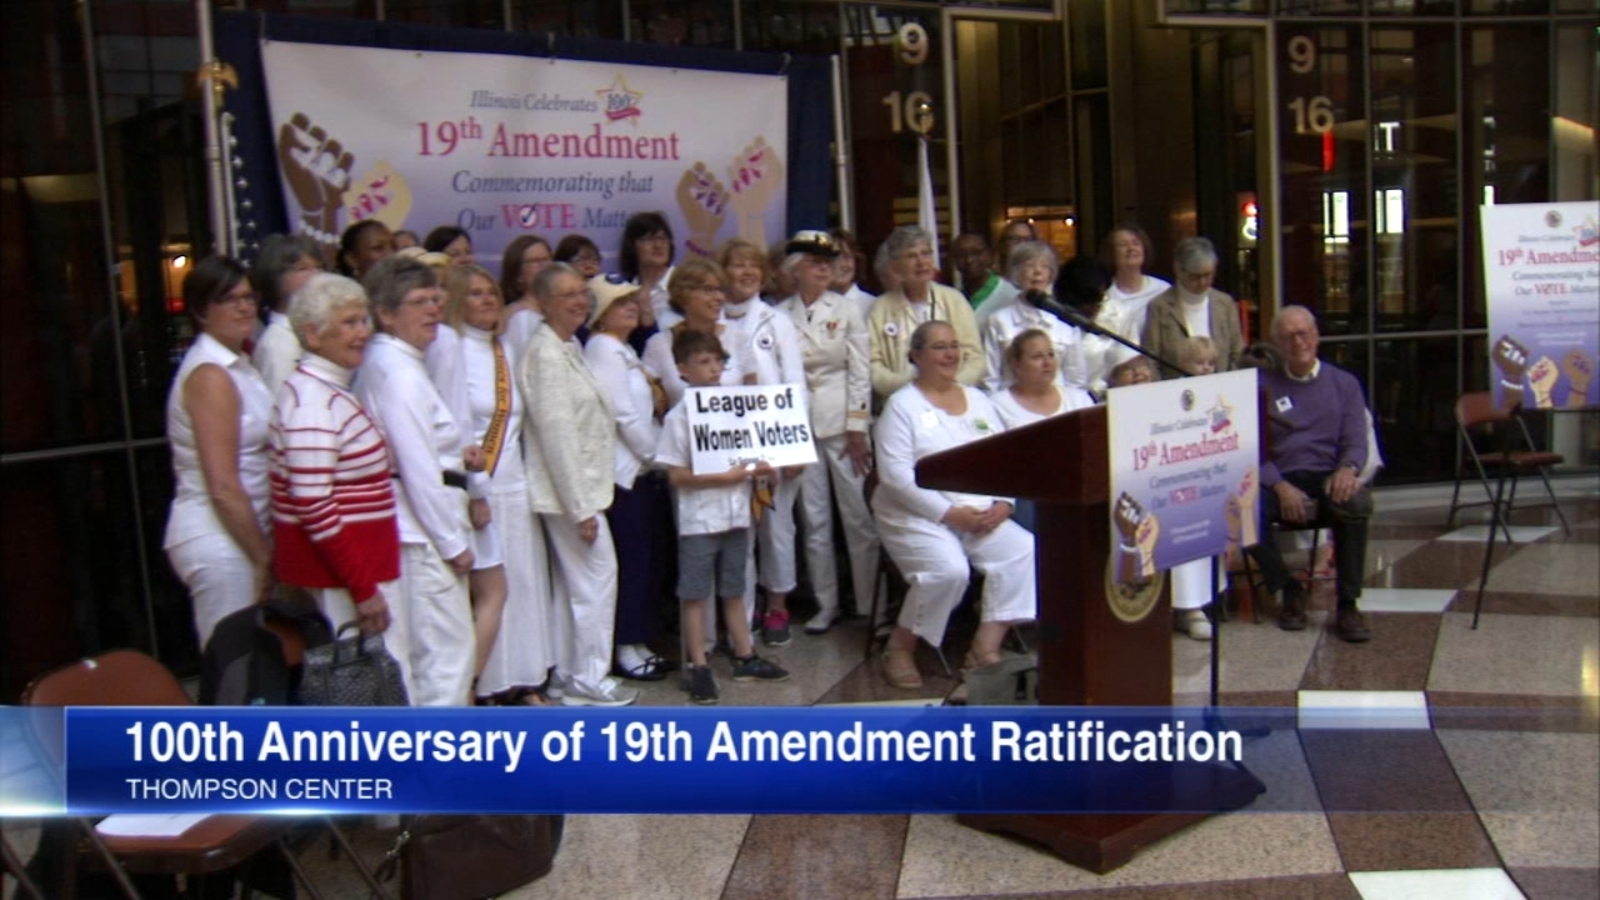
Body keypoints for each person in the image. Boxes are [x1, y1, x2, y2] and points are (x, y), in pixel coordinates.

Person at [873, 321, 1036, 688]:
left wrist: (1004, 503)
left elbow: (1003, 458)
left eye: (953, 345)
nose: (949, 354)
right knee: (950, 570)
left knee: (1022, 549)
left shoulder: (979, 399)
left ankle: (983, 649)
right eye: (938, 347)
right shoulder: (901, 406)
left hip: (978, 511)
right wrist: (948, 514)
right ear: (915, 355)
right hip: (916, 514)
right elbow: (895, 478)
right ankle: (899, 647)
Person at [355, 256, 476, 706]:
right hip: (421, 529)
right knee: (445, 652)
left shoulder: (398, 363)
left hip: (417, 521)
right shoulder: (399, 371)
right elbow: (418, 467)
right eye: (419, 302)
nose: (433, 310)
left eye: (435, 299)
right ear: (386, 313)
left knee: (436, 652)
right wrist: (452, 543)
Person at [519, 263, 639, 707]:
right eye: (567, 294)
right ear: (544, 303)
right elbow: (557, 436)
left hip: (581, 492)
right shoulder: (547, 353)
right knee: (596, 579)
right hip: (570, 495)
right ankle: (588, 678)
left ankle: (570, 676)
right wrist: (580, 508)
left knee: (581, 583)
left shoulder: (566, 345)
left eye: (581, 292)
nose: (578, 300)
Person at [435, 265, 556, 704]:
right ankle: (482, 683)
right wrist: (473, 488)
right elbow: (455, 428)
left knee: (523, 584)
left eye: (491, 293)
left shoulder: (504, 347)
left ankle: (524, 678)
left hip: (515, 485)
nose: (487, 300)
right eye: (474, 294)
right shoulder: (449, 350)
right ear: (454, 301)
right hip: (480, 491)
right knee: (488, 591)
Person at [654, 329, 791, 704]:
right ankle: (698, 665)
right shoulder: (680, 417)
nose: (714, 369)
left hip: (737, 512)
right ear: (682, 370)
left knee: (734, 586)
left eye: (718, 361)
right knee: (695, 593)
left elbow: (754, 453)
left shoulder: (736, 411)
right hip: (699, 518)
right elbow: (675, 473)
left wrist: (763, 470)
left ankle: (744, 653)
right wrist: (723, 476)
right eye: (703, 362)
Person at [267, 273, 397, 646]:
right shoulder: (312, 402)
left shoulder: (329, 388)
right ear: (312, 334)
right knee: (368, 692)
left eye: (363, 320)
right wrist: (362, 589)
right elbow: (312, 503)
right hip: (343, 581)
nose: (363, 333)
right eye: (348, 323)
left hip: (354, 574)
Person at [163, 256, 275, 648]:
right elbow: (223, 486)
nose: (244, 307)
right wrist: (263, 557)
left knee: (261, 666)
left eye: (248, 297)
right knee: (236, 666)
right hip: (222, 539)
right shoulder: (210, 374)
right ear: (200, 311)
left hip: (247, 534)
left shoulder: (241, 363)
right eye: (230, 299)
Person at [1247, 305, 1375, 643]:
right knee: (1242, 509)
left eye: (1304, 332)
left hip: (1326, 476)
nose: (1298, 341)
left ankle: (1347, 604)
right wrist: (1279, 485)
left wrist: (1347, 469)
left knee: (1356, 503)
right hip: (1280, 477)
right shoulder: (1261, 386)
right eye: (1288, 336)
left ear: (1317, 336)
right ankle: (1289, 589)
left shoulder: (1344, 384)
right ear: (1276, 343)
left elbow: (1356, 442)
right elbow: (1252, 446)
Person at [778, 233, 880, 633]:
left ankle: (871, 602)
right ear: (795, 269)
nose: (824, 267)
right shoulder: (780, 313)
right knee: (814, 520)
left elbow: (860, 370)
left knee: (857, 516)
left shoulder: (848, 309)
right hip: (801, 428)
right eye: (814, 261)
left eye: (829, 261)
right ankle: (827, 603)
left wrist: (858, 425)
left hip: (842, 425)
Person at [583, 275, 672, 682]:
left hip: (643, 472)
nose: (631, 307)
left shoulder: (623, 350)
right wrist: (659, 455)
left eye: (633, 301)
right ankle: (625, 646)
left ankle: (638, 640)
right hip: (627, 474)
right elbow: (622, 413)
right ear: (601, 314)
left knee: (644, 562)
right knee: (631, 562)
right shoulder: (603, 349)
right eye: (620, 303)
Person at [722, 237, 807, 644]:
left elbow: (795, 383)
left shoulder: (776, 321)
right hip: (730, 443)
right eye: (738, 265)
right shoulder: (713, 319)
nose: (747, 272)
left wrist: (796, 446)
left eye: (753, 265)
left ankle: (777, 606)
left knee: (775, 526)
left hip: (776, 441)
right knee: (740, 527)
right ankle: (743, 613)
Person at [869, 226, 985, 405]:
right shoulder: (881, 308)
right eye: (911, 256)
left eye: (926, 253)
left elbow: (975, 358)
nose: (921, 262)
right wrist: (909, 387)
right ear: (895, 265)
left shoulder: (954, 300)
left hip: (953, 399)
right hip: (902, 402)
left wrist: (948, 386)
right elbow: (872, 366)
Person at [1168, 335, 1226, 641]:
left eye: (1210, 364)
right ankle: (1187, 607)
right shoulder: (1170, 394)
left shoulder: (1219, 394)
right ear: (1182, 363)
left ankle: (1205, 601)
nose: (1205, 370)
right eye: (1198, 363)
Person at [641, 258, 754, 409]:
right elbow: (650, 403)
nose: (719, 298)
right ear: (683, 295)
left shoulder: (738, 337)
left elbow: (754, 397)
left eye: (721, 290)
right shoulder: (660, 344)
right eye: (709, 290)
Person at [979, 241, 1089, 393]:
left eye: (1044, 266)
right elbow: (990, 378)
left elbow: (1076, 379)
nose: (1037, 272)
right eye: (1030, 265)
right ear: (1016, 273)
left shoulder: (1066, 320)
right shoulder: (998, 320)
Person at [1140, 236, 1243, 375]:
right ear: (1178, 269)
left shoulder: (1225, 304)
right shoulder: (1159, 306)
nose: (1202, 282)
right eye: (1195, 276)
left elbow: (1237, 353)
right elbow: (1150, 358)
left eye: (1208, 275)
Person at [251, 234, 323, 395]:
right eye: (302, 268)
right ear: (276, 278)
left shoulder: (310, 331)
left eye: (318, 267)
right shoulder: (277, 344)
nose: (316, 275)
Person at [989, 328, 1095, 429]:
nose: (1047, 362)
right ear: (1016, 364)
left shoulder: (1079, 400)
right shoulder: (998, 405)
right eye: (1037, 356)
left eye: (1051, 354)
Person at [1097, 224, 1170, 342]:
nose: (1131, 248)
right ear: (1111, 254)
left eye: (1136, 243)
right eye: (1123, 245)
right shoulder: (1104, 296)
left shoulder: (1163, 290)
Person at [498, 235, 554, 357]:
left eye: (547, 259)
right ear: (518, 275)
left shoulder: (557, 312)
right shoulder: (519, 318)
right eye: (536, 261)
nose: (544, 266)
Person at [620, 212, 676, 332]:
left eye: (662, 238)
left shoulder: (683, 282)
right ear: (632, 246)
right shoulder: (625, 289)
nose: (658, 245)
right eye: (649, 239)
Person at [952, 231, 1017, 318]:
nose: (969, 260)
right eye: (961, 255)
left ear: (990, 255)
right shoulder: (953, 298)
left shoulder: (1010, 296)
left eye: (976, 253)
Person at [827, 228, 876, 321]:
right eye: (833, 259)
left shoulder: (873, 306)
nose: (841, 264)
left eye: (847, 257)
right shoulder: (813, 306)